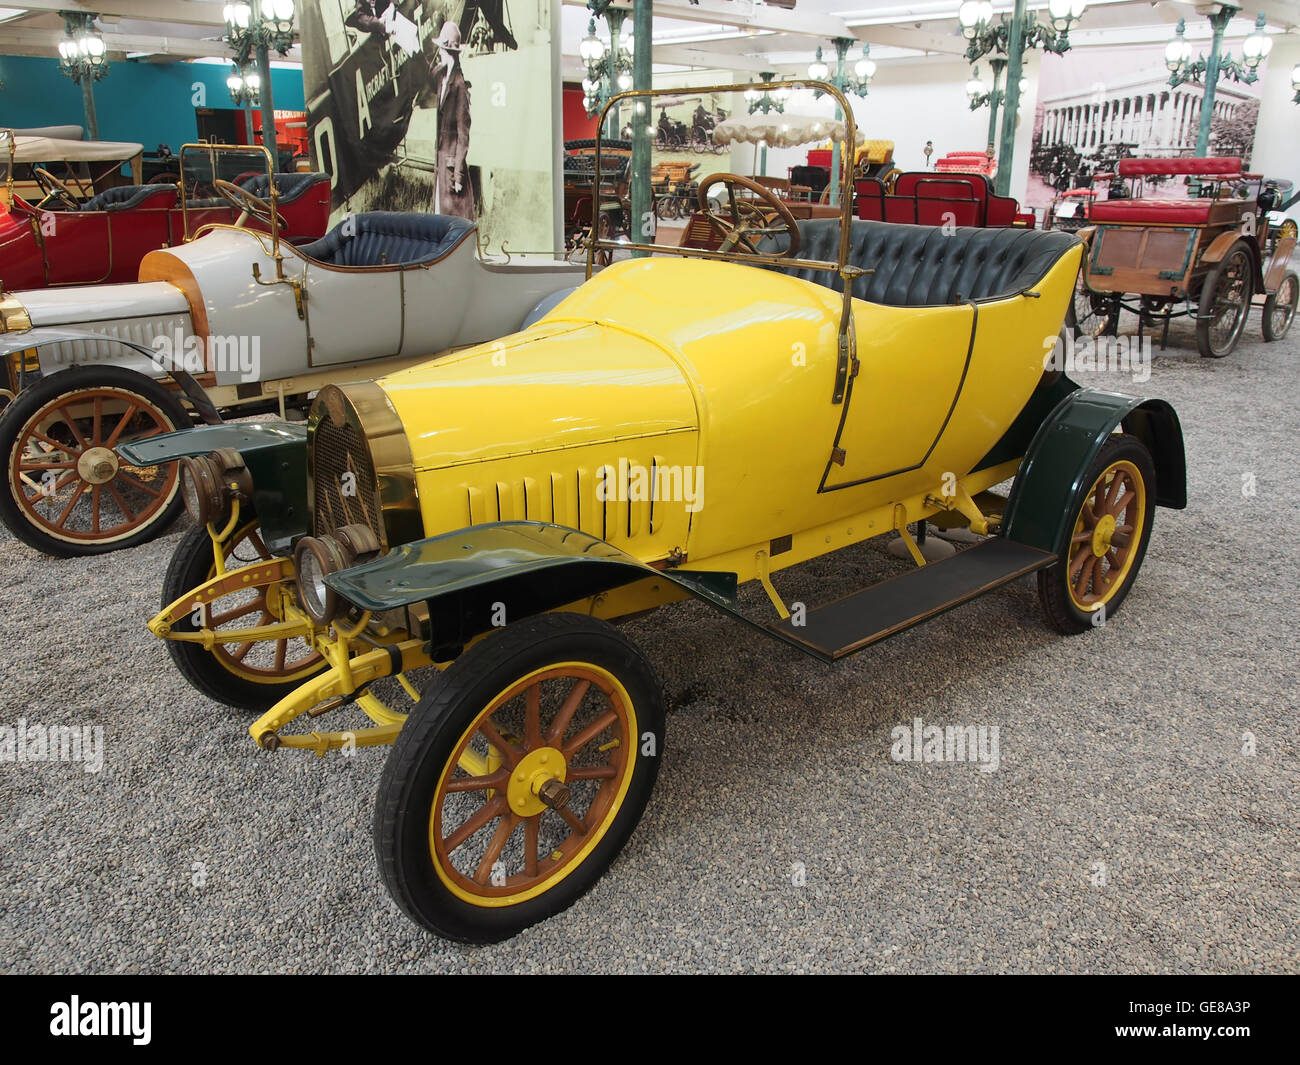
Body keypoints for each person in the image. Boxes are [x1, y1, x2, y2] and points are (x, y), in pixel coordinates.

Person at [427, 21, 473, 219]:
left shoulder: (459, 86)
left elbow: (463, 135)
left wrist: (459, 175)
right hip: (442, 165)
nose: (439, 54)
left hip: (452, 169)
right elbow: (431, 75)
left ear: (449, 51)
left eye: (441, 50)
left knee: (454, 222)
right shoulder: (443, 78)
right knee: (440, 218)